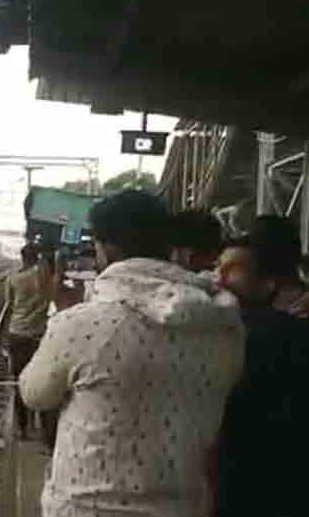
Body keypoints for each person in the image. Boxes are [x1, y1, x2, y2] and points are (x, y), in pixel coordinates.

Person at [19, 190, 245, 517]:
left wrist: (64, 316)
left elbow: (35, 394)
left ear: (107, 247)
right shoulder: (224, 323)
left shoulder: (82, 324)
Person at [212, 215, 309, 517]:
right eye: (218, 267)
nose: (217, 278)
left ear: (270, 283)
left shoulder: (243, 336)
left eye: (231, 270)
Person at [5, 243, 54, 440]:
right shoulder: (44, 277)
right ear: (37, 257)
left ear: (22, 257)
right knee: (44, 381)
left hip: (17, 334)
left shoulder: (14, 278)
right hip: (40, 335)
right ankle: (44, 430)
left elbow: (9, 304)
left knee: (19, 382)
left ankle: (23, 428)